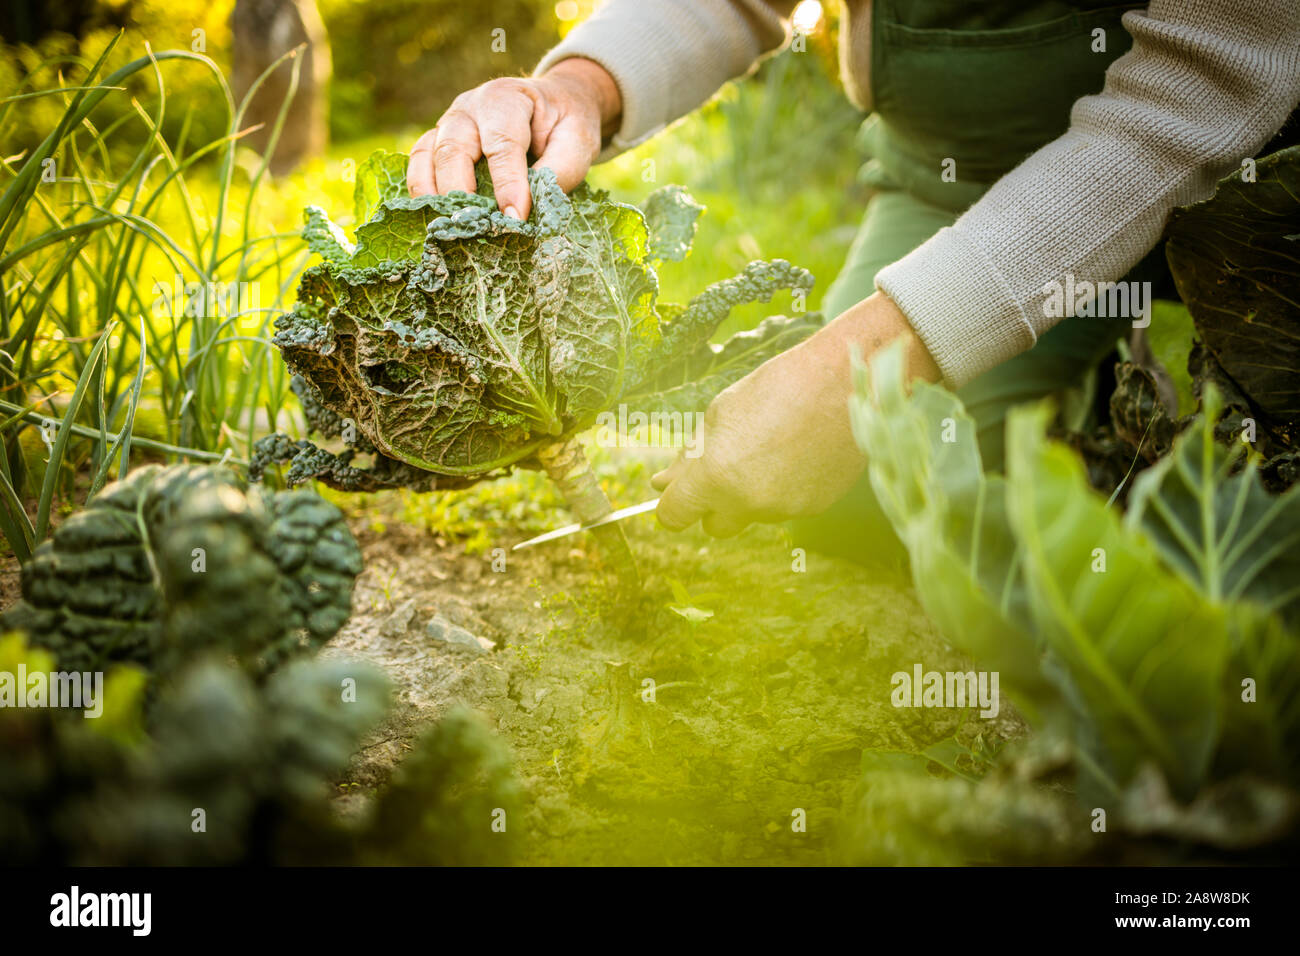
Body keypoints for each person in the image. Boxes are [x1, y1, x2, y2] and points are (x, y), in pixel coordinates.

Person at [407, 0, 1300, 561]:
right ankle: (1080, 402)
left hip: (1247, 180)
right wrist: (579, 83)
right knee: (866, 506)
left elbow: (1212, 79)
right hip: (962, 179)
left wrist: (868, 361)